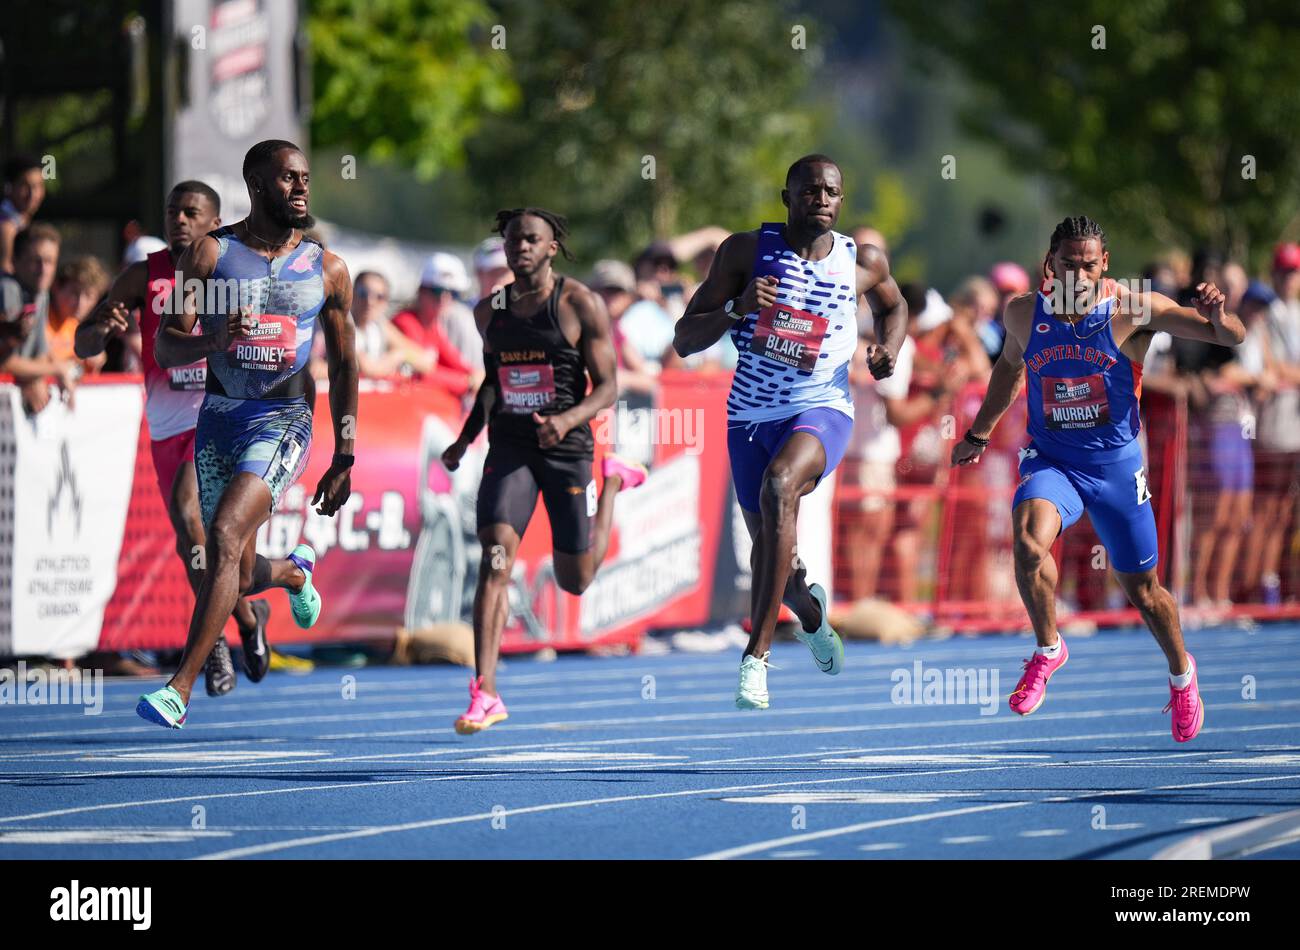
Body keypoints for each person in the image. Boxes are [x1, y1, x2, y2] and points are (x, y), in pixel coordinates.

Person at [953, 215, 1245, 743]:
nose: (1080, 274)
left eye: (1090, 265)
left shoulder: (1134, 308)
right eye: (1070, 264)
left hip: (1116, 468)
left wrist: (1218, 316)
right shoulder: (1024, 312)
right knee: (1026, 542)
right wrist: (978, 434)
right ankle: (1048, 649)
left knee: (1144, 590)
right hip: (1053, 461)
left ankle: (1182, 675)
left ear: (1104, 264)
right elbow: (1008, 372)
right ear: (1051, 262)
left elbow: (1228, 338)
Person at [135, 141, 357, 728]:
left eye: (306, 178)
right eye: (288, 179)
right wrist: (213, 340)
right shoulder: (211, 255)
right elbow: (165, 343)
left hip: (283, 421)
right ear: (257, 185)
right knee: (225, 563)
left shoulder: (327, 269)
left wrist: (346, 453)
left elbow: (344, 366)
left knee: (226, 534)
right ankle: (290, 572)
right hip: (219, 419)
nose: (301, 189)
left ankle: (178, 689)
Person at [674, 154, 907, 709]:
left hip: (822, 409)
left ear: (841, 200)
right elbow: (685, 339)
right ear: (787, 198)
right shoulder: (745, 251)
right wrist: (735, 307)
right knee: (772, 556)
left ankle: (755, 658)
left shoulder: (862, 260)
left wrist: (888, 351)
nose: (821, 199)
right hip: (750, 417)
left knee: (781, 486)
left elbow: (895, 309)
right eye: (809, 191)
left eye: (831, 191)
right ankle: (809, 612)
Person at [441, 208, 647, 734]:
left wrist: (566, 420)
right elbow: (492, 382)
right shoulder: (489, 311)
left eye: (532, 240)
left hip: (567, 448)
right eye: (513, 241)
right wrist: (465, 441)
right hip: (510, 446)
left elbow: (608, 387)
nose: (521, 249)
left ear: (553, 246)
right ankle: (485, 690)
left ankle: (616, 481)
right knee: (495, 558)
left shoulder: (580, 303)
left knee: (576, 580)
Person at [76, 181, 276, 696]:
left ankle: (208, 649)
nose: (180, 221)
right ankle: (249, 620)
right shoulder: (144, 275)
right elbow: (82, 341)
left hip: (221, 415)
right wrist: (103, 329)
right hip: (167, 425)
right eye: (172, 212)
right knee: (205, 548)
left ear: (214, 222)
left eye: (192, 213)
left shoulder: (231, 268)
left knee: (196, 519)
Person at [0, 224, 76, 413]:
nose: (44, 269)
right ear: (15, 261)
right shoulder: (7, 289)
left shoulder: (41, 294)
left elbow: (40, 353)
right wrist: (57, 371)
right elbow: (5, 362)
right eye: (36, 261)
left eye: (50, 261)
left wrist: (35, 376)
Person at [391, 252, 480, 393]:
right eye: (438, 291)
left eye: (454, 293)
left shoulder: (433, 327)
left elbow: (456, 363)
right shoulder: (405, 322)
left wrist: (477, 375)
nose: (445, 298)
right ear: (421, 291)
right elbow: (421, 372)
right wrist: (466, 383)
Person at [47, 256, 109, 372]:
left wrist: (92, 364)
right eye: (74, 293)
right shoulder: (39, 321)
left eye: (88, 295)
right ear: (56, 287)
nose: (80, 303)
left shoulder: (79, 330)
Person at [0, 155, 46, 274]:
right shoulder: (6, 227)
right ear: (9, 187)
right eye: (25, 186)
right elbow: (6, 271)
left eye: (38, 186)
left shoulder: (19, 221)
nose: (32, 194)